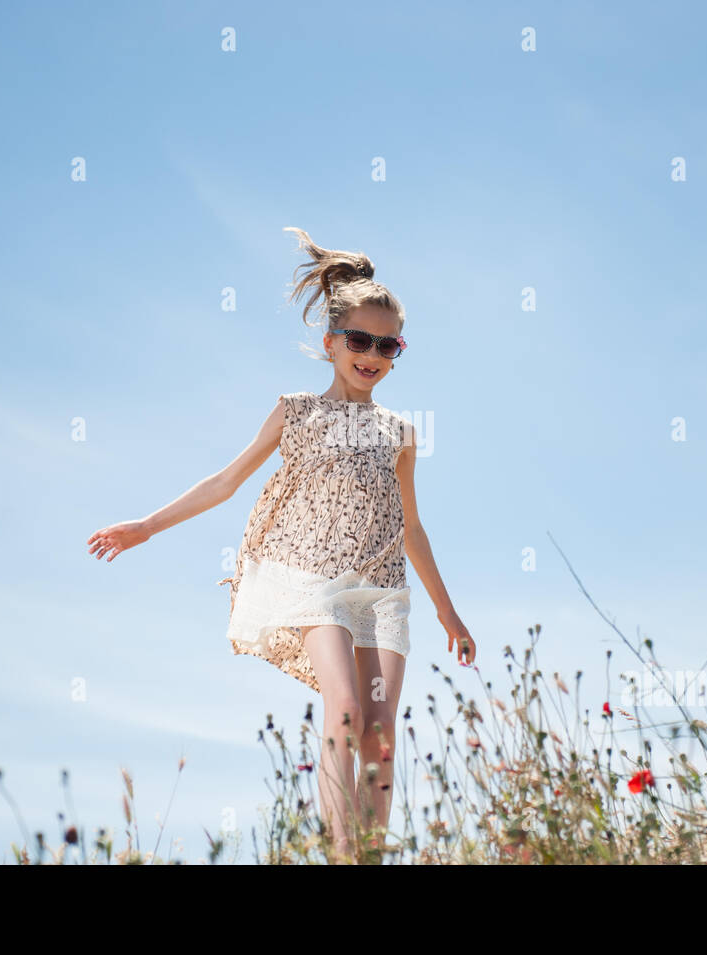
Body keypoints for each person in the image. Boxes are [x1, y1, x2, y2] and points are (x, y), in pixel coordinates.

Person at [85, 226, 476, 860]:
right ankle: (342, 854)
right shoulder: (295, 412)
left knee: (378, 738)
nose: (372, 354)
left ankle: (371, 854)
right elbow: (225, 481)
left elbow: (412, 527)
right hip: (312, 584)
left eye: (388, 344)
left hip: (381, 592)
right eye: (359, 340)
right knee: (345, 711)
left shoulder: (400, 433)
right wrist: (145, 527)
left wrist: (448, 612)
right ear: (331, 343)